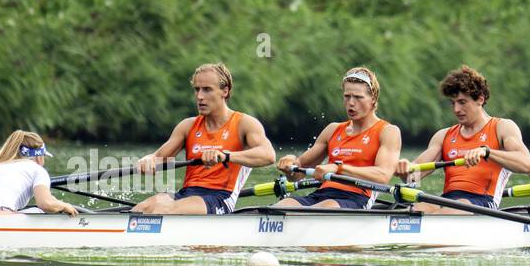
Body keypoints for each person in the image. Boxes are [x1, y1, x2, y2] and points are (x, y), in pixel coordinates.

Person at [132, 62, 275, 214]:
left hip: (219, 198)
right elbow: (159, 157)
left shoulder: (245, 124)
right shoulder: (187, 126)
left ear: (225, 91)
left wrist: (225, 156)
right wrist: (148, 160)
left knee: (164, 210)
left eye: (207, 90)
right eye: (197, 90)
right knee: (141, 209)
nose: (200, 96)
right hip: (185, 194)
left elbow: (268, 155)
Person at [394, 65, 530, 212]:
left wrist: (486, 152)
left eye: (462, 102)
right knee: (415, 209)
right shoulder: (443, 136)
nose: (456, 110)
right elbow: (414, 176)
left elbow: (527, 165)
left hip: (483, 201)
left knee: (453, 209)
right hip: (447, 200)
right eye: (453, 103)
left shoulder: (502, 127)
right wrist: (404, 170)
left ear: (480, 99)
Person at [275, 67, 401, 209]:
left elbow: (383, 176)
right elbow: (297, 174)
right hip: (321, 194)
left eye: (358, 97)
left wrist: (338, 168)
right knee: (282, 206)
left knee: (323, 208)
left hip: (357, 198)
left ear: (373, 99)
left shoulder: (388, 131)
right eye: (347, 96)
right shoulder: (333, 130)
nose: (351, 103)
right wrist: (290, 164)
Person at [0, 130, 77, 215]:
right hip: (0, 217)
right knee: (38, 212)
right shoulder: (38, 170)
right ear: (39, 157)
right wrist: (64, 205)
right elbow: (45, 204)